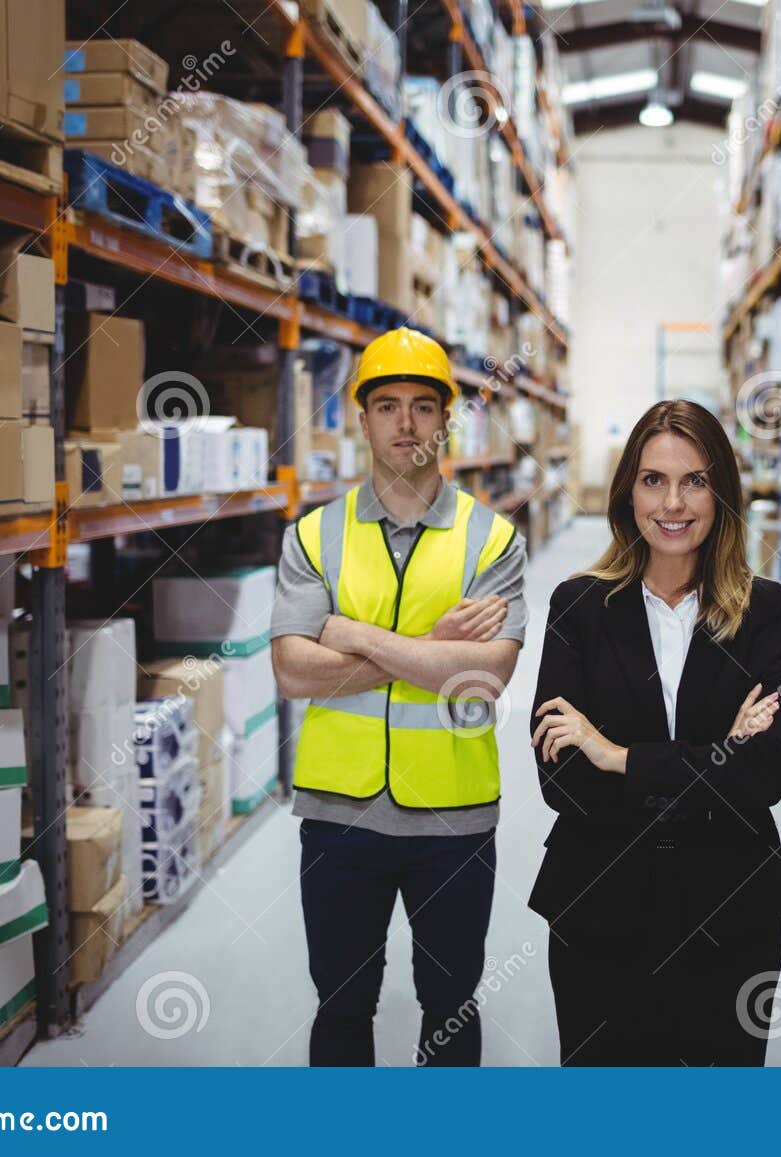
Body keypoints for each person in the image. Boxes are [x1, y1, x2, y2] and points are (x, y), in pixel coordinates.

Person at [269, 327, 526, 1066]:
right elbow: (292, 670)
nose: (405, 422)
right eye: (387, 405)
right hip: (338, 813)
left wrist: (355, 633)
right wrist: (427, 648)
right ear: (363, 419)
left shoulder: (492, 539)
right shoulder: (315, 537)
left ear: (446, 420)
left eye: (422, 405)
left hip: (453, 813)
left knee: (449, 1005)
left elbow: (485, 675)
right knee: (343, 1003)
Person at [528, 399, 781, 1066]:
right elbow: (562, 781)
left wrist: (616, 753)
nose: (672, 502)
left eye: (695, 480)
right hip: (602, 908)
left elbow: (768, 772)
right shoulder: (579, 607)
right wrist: (715, 757)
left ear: (722, 493)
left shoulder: (764, 610)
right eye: (653, 479)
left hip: (731, 909)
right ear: (628, 492)